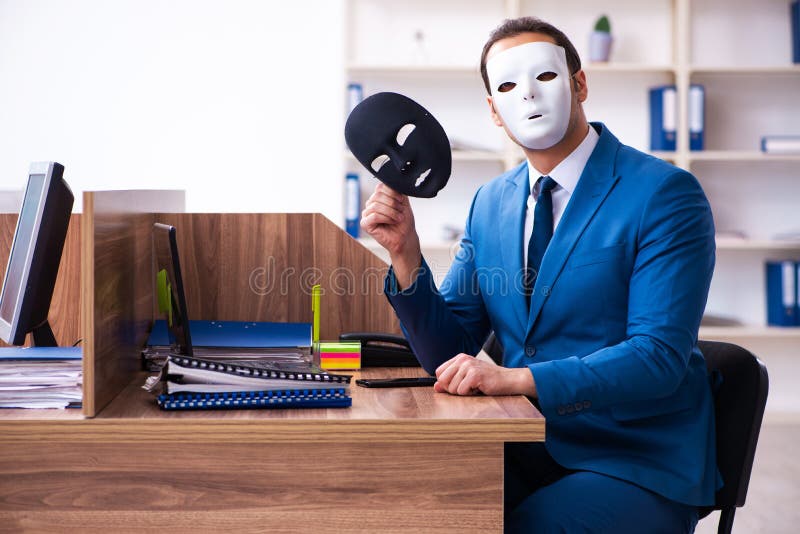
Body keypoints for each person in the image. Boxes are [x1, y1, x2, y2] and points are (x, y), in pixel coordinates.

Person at [361, 16, 720, 534]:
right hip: (522, 443)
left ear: (579, 84)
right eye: (507, 86)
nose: (526, 96)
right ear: (494, 111)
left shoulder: (665, 194)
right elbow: (451, 350)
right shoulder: (492, 203)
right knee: (408, 500)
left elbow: (657, 357)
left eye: (544, 77)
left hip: (634, 461)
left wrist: (516, 378)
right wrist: (405, 254)